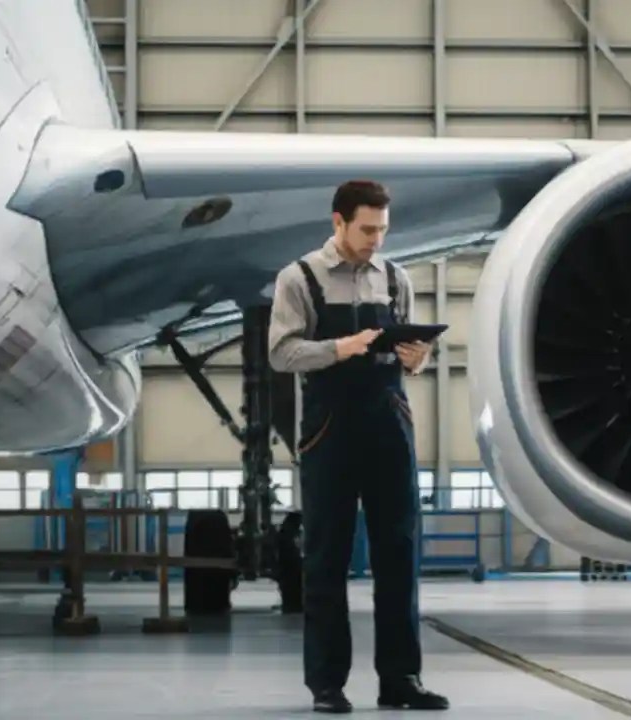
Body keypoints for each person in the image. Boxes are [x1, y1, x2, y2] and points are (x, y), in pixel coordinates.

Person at [268, 179, 450, 714]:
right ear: (338, 222)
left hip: (389, 423)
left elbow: (410, 357)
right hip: (329, 429)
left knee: (400, 554)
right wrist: (338, 348)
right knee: (326, 557)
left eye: (383, 230)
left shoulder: (395, 279)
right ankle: (327, 686)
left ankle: (401, 680)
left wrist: (418, 359)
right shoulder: (298, 278)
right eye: (367, 229)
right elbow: (281, 353)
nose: (376, 240)